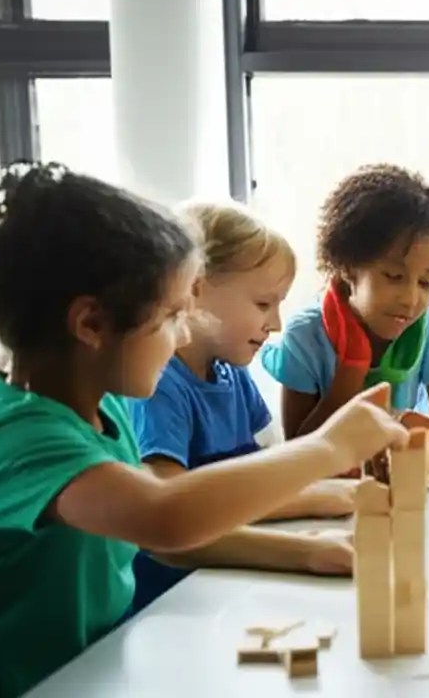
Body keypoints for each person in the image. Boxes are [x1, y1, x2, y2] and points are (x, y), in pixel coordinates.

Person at [0, 163, 409, 697]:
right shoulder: (17, 439)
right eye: (170, 317)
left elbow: (168, 545)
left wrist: (304, 552)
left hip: (94, 673)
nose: (180, 335)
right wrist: (328, 446)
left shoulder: (101, 411)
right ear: (91, 325)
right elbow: (164, 517)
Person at [127, 200, 356, 614]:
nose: (277, 324)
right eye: (263, 304)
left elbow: (258, 485)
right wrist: (308, 541)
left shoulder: (233, 376)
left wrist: (335, 494)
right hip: (172, 605)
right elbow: (173, 515)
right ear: (195, 290)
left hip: (226, 589)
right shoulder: (159, 385)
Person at [261, 163, 429, 476]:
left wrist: (413, 467)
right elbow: (298, 452)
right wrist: (352, 366)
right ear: (348, 266)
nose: (410, 298)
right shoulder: (306, 334)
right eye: (393, 276)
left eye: (426, 283)